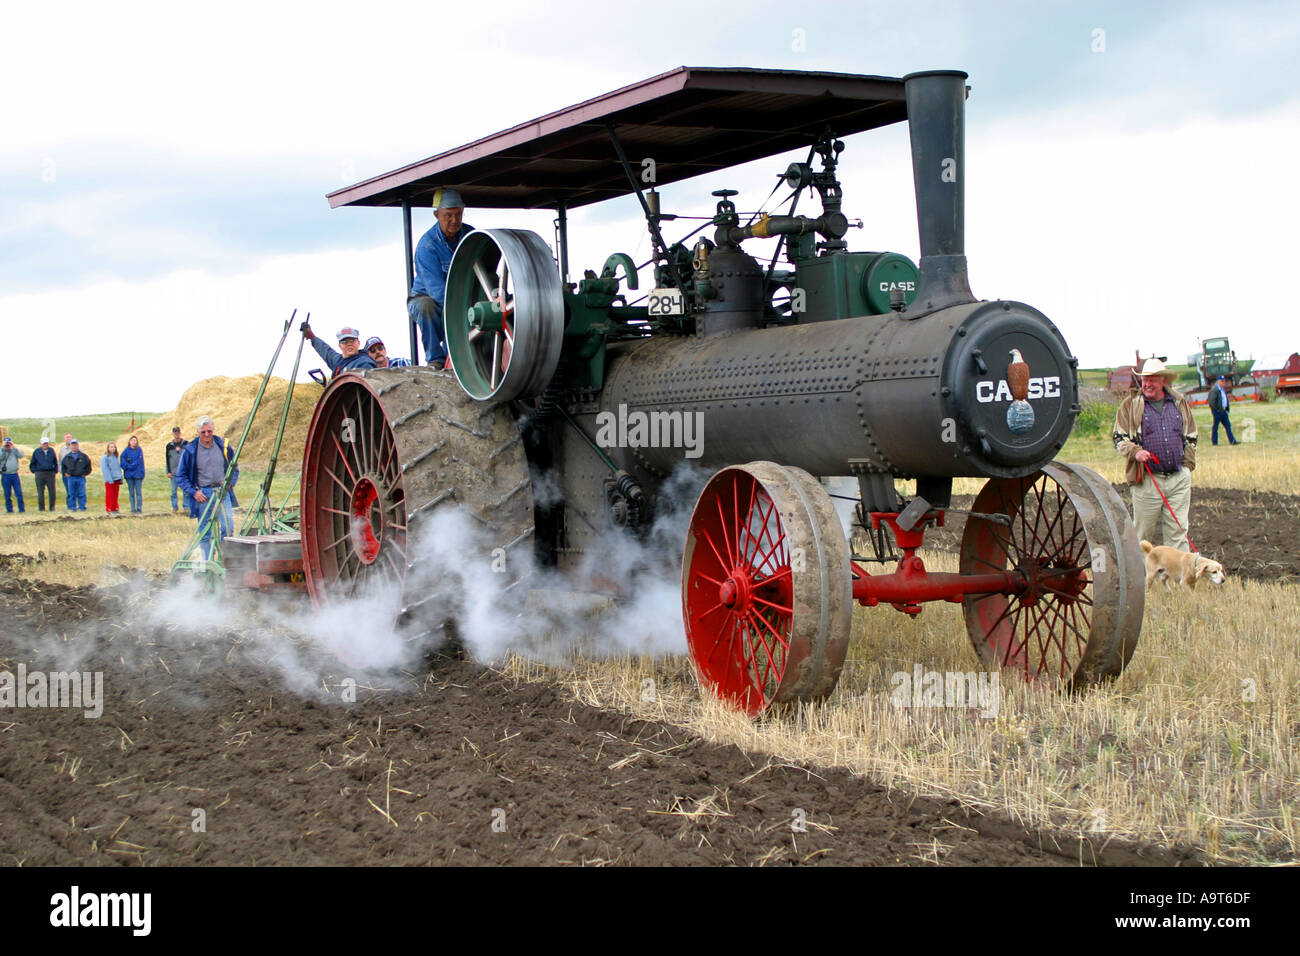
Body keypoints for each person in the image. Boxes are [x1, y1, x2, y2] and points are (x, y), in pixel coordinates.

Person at [1113, 358, 1197, 551]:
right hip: (1147, 481)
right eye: (1144, 380)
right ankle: (1142, 579)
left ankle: (1178, 579)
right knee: (1143, 535)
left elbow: (1191, 435)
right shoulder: (1130, 405)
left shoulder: (1179, 402)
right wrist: (1135, 452)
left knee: (1179, 532)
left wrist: (1187, 467)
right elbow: (1119, 438)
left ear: (1163, 381)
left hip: (1178, 478)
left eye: (1152, 380)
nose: (1147, 384)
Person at [409, 188, 473, 367]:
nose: (454, 220)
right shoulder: (427, 247)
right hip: (430, 298)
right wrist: (465, 309)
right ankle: (437, 359)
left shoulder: (471, 236)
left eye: (458, 214)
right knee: (426, 307)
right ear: (437, 214)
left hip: (462, 296)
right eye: (448, 215)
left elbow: (485, 272)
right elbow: (438, 293)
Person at [175, 416, 240, 559]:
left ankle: (225, 561)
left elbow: (234, 468)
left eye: (209, 431)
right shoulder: (191, 450)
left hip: (222, 492)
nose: (206, 435)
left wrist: (230, 483)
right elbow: (180, 476)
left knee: (227, 527)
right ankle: (206, 562)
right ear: (198, 431)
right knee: (205, 531)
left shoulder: (223, 446)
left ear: (213, 430)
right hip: (203, 494)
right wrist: (194, 492)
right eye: (203, 432)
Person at [302, 324, 377, 378]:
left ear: (358, 343)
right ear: (340, 345)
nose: (349, 344)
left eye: (352, 340)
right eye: (344, 342)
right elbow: (325, 350)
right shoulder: (338, 361)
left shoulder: (365, 362)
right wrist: (312, 337)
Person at [1208, 374, 1239, 446]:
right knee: (1216, 427)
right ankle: (1214, 442)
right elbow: (1212, 402)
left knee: (1228, 426)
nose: (1223, 382)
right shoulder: (1214, 390)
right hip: (1218, 412)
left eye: (1224, 381)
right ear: (1218, 381)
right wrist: (1217, 410)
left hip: (1224, 411)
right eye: (1222, 381)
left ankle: (1232, 441)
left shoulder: (1222, 389)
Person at [29, 437, 59, 511]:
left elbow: (55, 462)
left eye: (46, 443)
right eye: (44, 443)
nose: (45, 445)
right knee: (40, 491)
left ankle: (52, 507)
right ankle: (41, 508)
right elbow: (32, 463)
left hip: (50, 473)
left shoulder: (51, 451)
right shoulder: (37, 451)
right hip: (40, 473)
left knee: (52, 491)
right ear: (41, 444)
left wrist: (55, 471)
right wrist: (35, 471)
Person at [61, 439, 91, 512]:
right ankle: (72, 507)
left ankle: (82, 507)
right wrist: (65, 473)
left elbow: (88, 466)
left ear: (78, 445)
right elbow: (63, 467)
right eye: (72, 445)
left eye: (75, 445)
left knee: (82, 493)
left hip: (80, 477)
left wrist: (85, 473)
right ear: (70, 446)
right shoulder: (67, 457)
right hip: (71, 478)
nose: (74, 446)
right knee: (71, 493)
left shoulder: (83, 456)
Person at [165, 426, 188, 512]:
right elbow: (167, 459)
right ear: (173, 434)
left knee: (185, 491)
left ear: (180, 433)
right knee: (173, 492)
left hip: (183, 472)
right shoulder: (169, 446)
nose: (176, 434)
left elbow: (189, 458)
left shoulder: (185, 444)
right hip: (173, 472)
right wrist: (168, 471)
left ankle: (186, 506)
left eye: (178, 432)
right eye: (175, 433)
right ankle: (174, 507)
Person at [121, 435, 146, 513]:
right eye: (132, 440)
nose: (134, 442)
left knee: (138, 492)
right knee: (131, 493)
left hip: (138, 474)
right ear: (129, 442)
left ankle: (139, 509)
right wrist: (128, 466)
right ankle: (132, 509)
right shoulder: (126, 451)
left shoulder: (139, 450)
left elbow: (140, 462)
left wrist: (142, 473)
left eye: (135, 440)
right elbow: (122, 461)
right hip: (129, 475)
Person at [1, 437, 25, 514]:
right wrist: (3, 448)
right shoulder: (2, 451)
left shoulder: (14, 451)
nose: (8, 445)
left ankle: (21, 509)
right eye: (6, 443)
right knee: (7, 493)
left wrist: (14, 447)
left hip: (14, 474)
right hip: (5, 475)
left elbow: (21, 455)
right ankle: (9, 510)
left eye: (9, 443)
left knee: (18, 493)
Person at [101, 441, 124, 514]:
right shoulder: (105, 457)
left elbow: (117, 468)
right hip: (110, 479)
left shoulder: (115, 457)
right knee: (109, 494)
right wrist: (109, 479)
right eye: (111, 447)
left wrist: (120, 477)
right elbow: (105, 469)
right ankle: (109, 508)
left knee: (115, 494)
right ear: (108, 448)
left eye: (114, 447)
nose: (113, 448)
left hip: (116, 478)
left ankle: (115, 508)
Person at [58, 433, 74, 503]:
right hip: (66, 474)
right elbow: (60, 462)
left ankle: (80, 505)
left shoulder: (78, 449)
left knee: (78, 491)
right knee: (69, 491)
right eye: (67, 437)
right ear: (64, 439)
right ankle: (70, 505)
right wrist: (63, 472)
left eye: (70, 437)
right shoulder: (62, 450)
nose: (68, 439)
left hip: (76, 474)